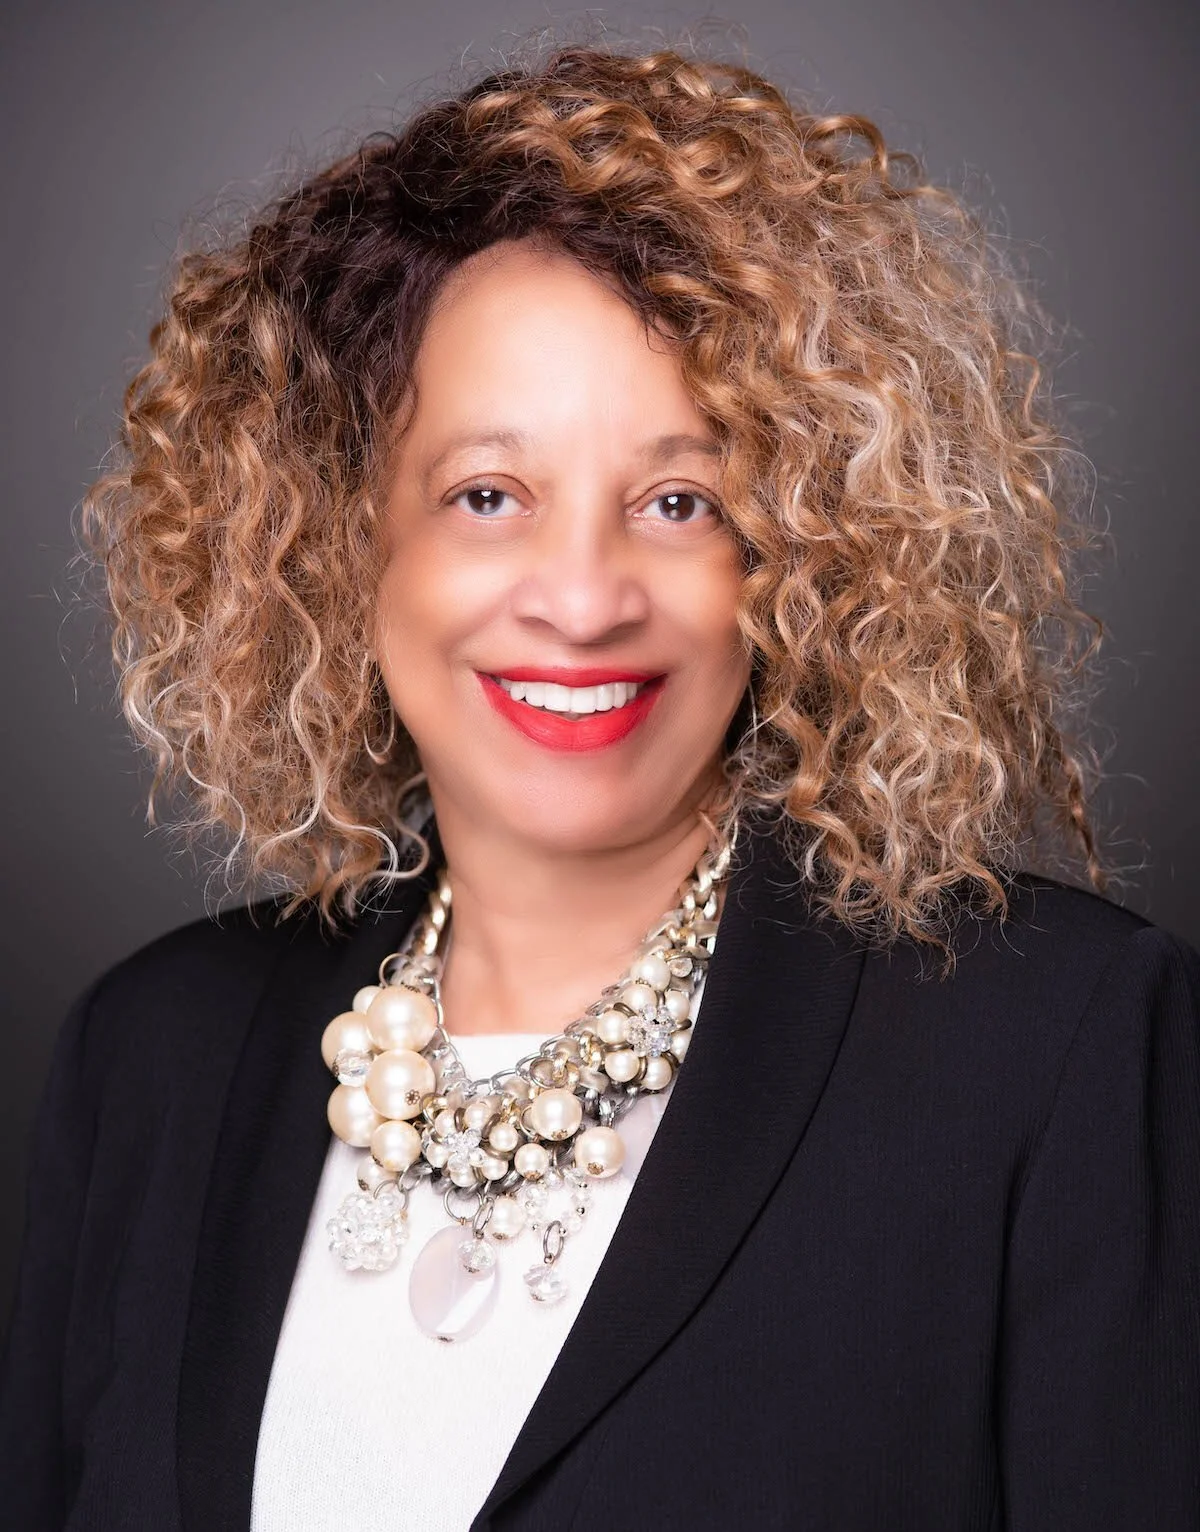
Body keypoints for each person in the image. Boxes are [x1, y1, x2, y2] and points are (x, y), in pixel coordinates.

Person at [2, 39, 1197, 1532]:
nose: (581, 599)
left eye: (679, 501)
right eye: (487, 495)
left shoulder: (1055, 1048)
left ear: (800, 551)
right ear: (342, 541)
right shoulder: (146, 1059)